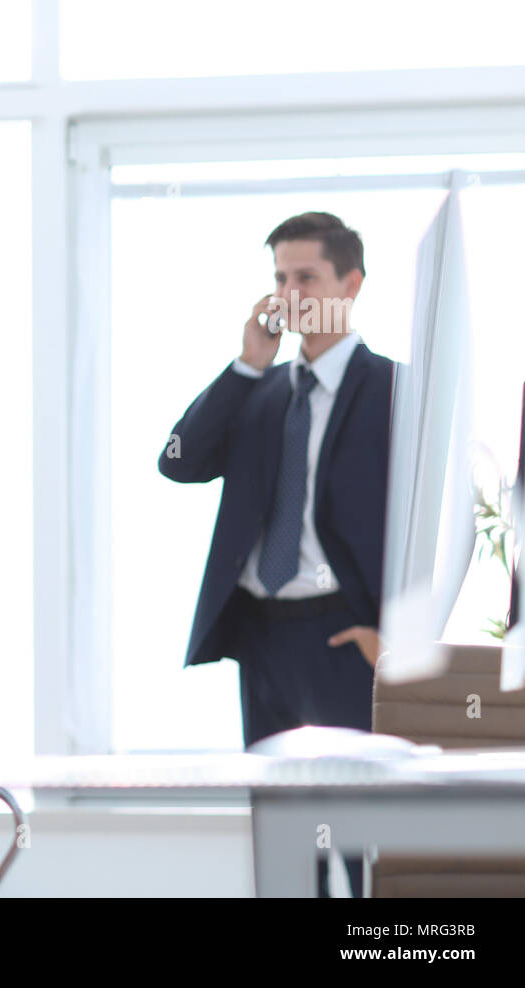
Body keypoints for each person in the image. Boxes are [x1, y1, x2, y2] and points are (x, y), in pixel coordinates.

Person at [159, 211, 394, 746]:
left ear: (350, 284)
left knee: (356, 807)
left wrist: (394, 637)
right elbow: (179, 461)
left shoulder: (395, 390)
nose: (288, 293)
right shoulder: (259, 393)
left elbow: (433, 516)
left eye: (305, 277)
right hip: (261, 636)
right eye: (279, 278)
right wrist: (248, 364)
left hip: (345, 634)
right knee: (273, 806)